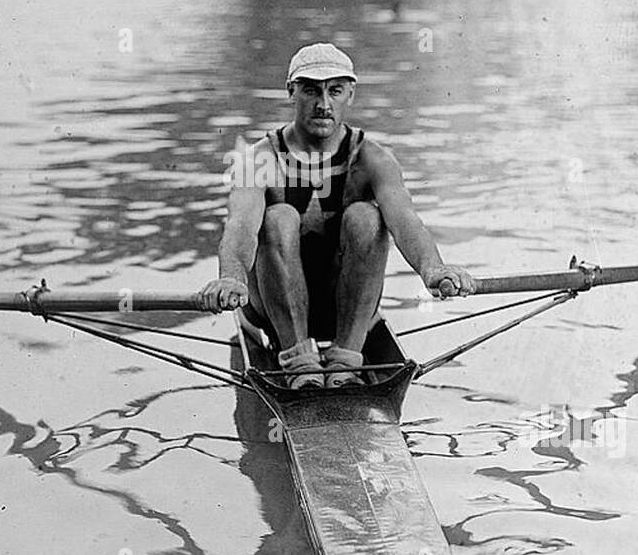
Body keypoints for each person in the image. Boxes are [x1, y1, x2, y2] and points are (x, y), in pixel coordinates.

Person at [197, 42, 475, 389]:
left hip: (341, 310)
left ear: (350, 95)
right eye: (311, 91)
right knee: (278, 217)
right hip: (271, 312)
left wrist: (434, 268)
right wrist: (231, 276)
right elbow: (240, 226)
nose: (323, 104)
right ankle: (298, 360)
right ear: (291, 92)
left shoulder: (373, 159)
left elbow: (406, 222)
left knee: (366, 217)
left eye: (335, 91)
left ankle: (346, 358)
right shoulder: (258, 159)